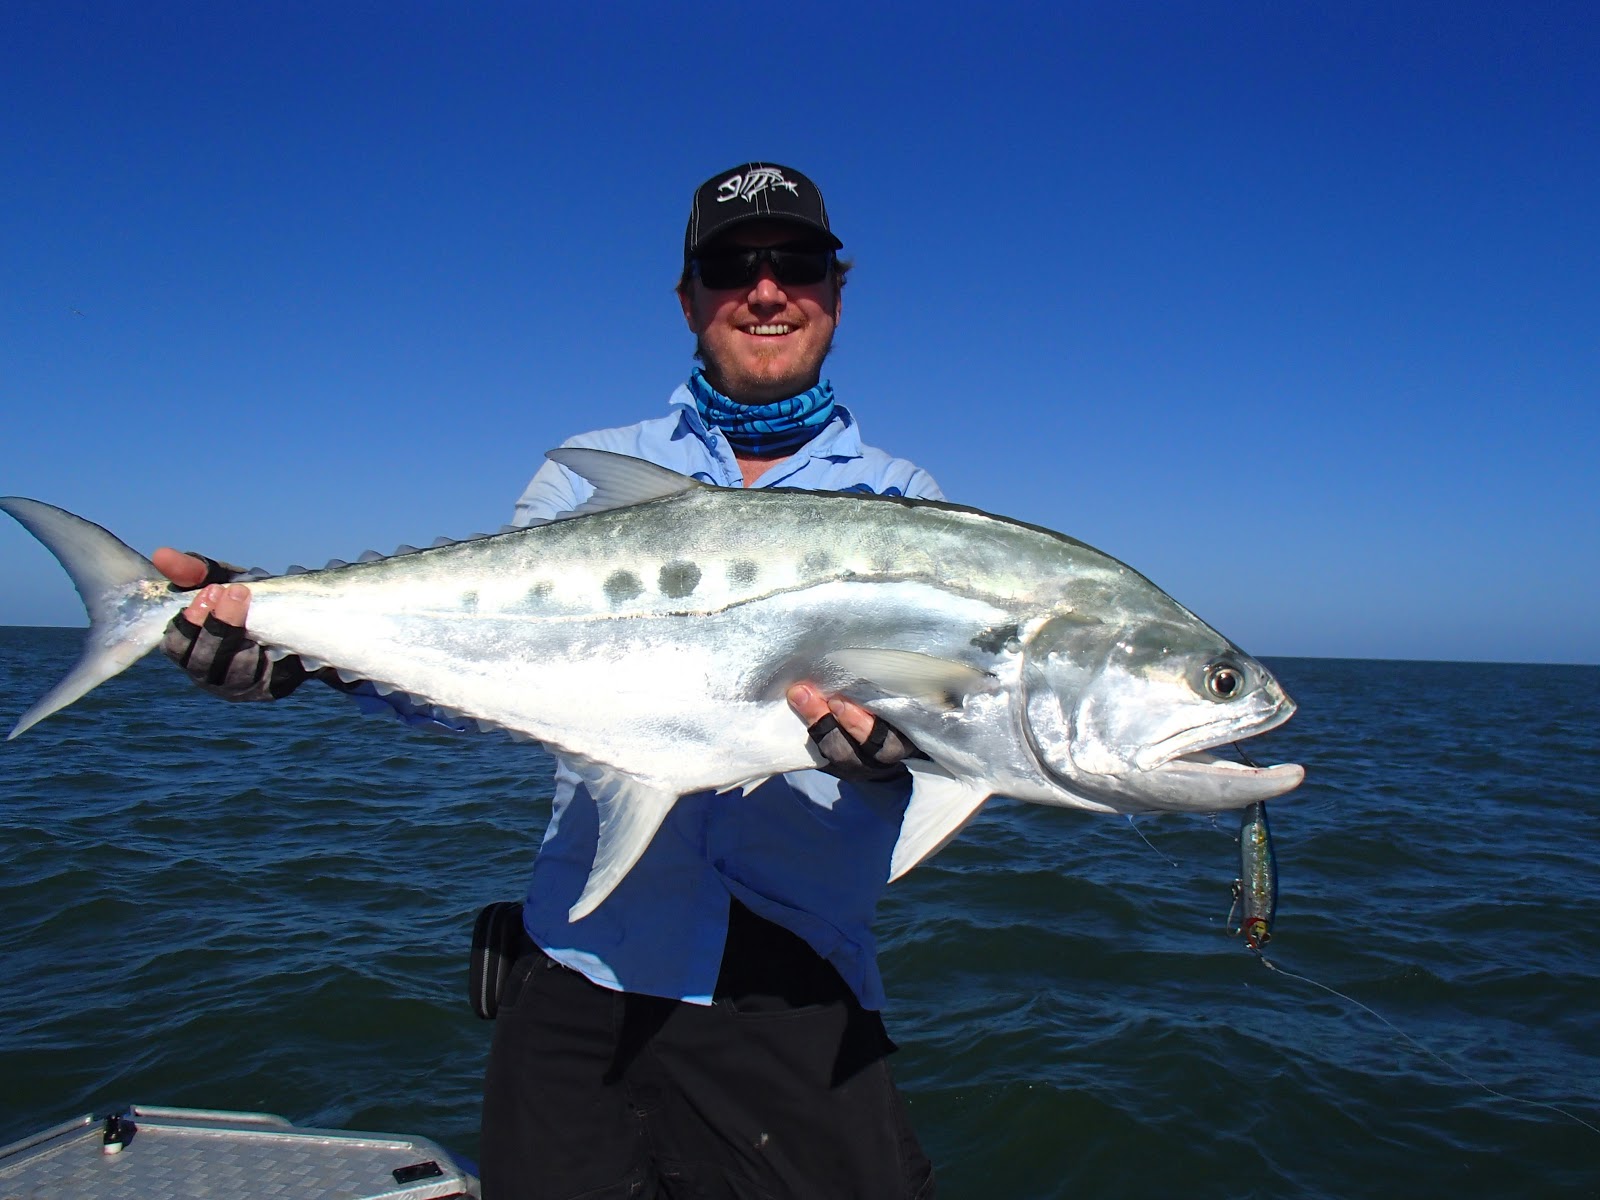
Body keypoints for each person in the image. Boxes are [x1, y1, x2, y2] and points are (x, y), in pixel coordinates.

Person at [155, 162, 940, 1199]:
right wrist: (288, 653)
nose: (762, 290)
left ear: (835, 291)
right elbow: (477, 668)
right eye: (727, 266)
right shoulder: (585, 475)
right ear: (686, 298)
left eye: (793, 263)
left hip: (790, 991)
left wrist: (893, 758)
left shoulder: (906, 507)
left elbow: (938, 743)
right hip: (579, 971)